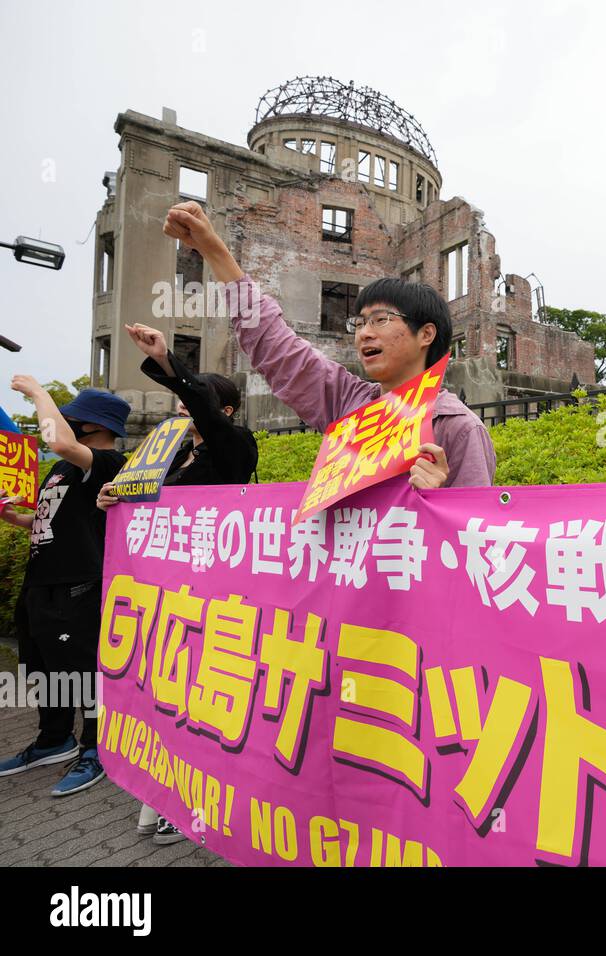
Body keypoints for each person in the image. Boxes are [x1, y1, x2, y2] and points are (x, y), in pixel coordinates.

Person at [161, 200, 494, 491]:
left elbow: (476, 536)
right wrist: (212, 249)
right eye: (359, 323)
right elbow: (275, 346)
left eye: (380, 320)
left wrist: (439, 501)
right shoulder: (348, 402)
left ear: (426, 334)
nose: (364, 333)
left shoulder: (457, 428)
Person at [97, 321, 257, 844]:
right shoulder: (165, 456)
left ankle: (200, 801)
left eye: (195, 403)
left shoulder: (235, 447)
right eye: (181, 403)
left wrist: (169, 363)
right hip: (161, 598)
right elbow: (138, 501)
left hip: (215, 599)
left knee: (204, 703)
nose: (183, 409)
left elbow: (206, 413)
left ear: (224, 412)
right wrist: (113, 500)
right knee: (164, 697)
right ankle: (160, 796)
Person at [0, 382, 129, 796]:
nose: (64, 420)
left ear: (91, 425)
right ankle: (54, 739)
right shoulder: (59, 470)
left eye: (73, 415)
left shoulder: (109, 463)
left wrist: (37, 391)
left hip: (78, 587)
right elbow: (50, 519)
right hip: (41, 582)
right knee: (45, 669)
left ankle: (95, 749)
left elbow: (56, 437)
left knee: (84, 672)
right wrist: (14, 517)